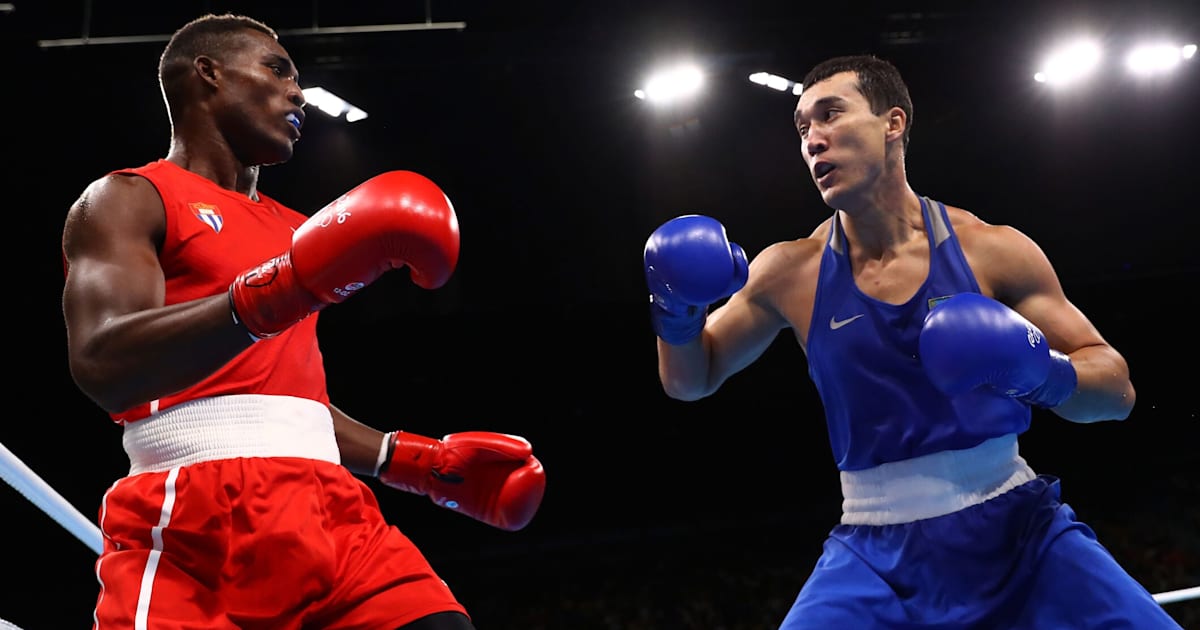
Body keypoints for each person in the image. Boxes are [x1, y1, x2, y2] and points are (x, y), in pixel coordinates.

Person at [643, 54, 1182, 628]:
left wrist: (1040, 373)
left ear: (892, 123)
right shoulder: (787, 272)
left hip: (1022, 532)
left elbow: (1117, 391)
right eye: (803, 128)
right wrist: (674, 311)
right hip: (874, 557)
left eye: (831, 115)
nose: (814, 141)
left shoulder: (989, 250)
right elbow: (690, 379)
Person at [60, 13, 546, 630]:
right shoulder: (130, 197)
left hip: (332, 510)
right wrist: (277, 290)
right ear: (207, 73)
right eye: (278, 69)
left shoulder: (299, 232)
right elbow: (103, 364)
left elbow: (283, 401)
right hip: (193, 519)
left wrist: (417, 463)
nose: (297, 93)